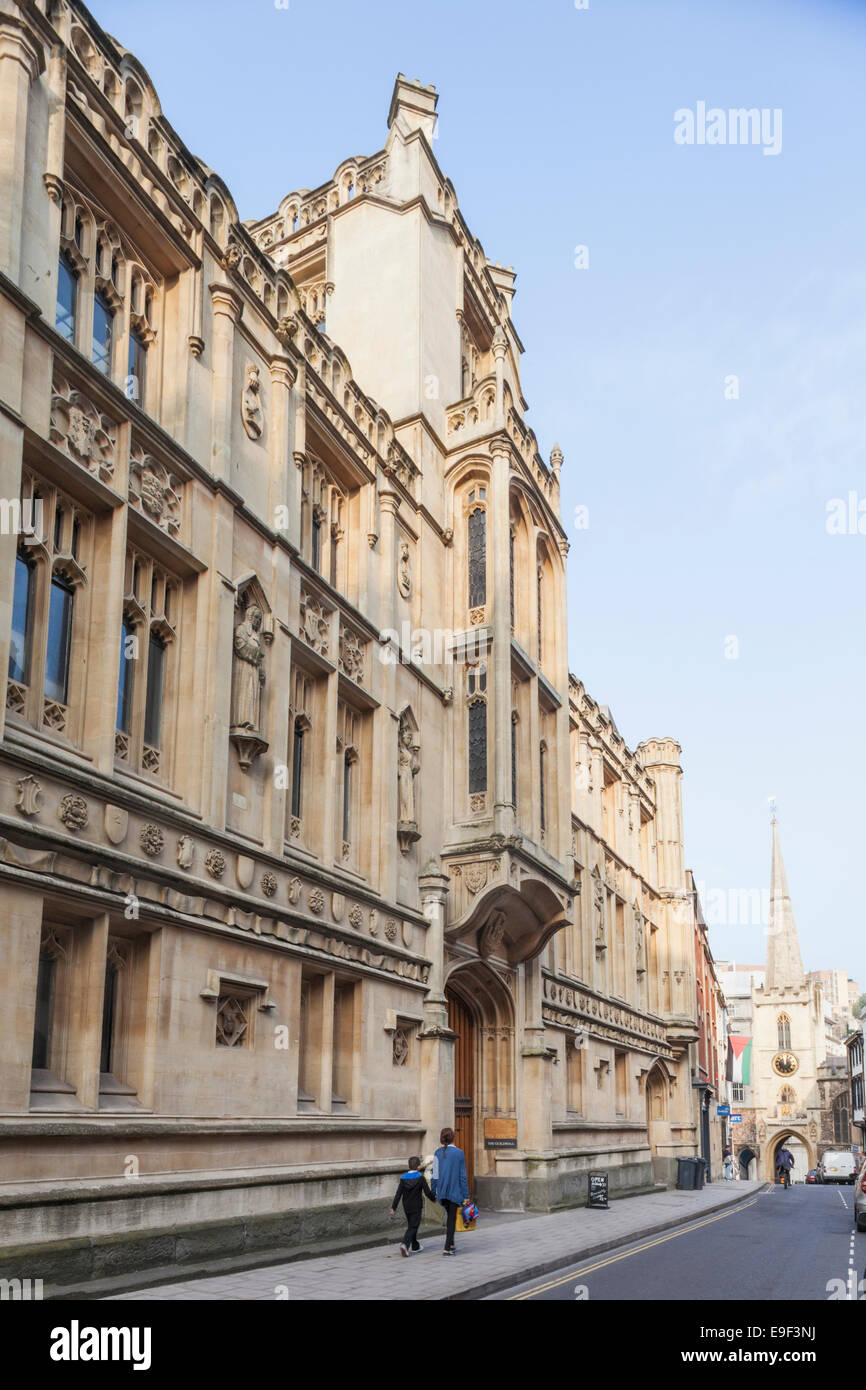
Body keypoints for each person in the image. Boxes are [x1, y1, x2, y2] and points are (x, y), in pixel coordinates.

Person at [431, 1126, 469, 1255]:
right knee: (451, 1220)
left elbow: (434, 1175)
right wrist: (466, 1195)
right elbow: (462, 1176)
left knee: (450, 1218)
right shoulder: (459, 1153)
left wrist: (433, 1191)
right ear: (453, 1137)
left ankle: (451, 1244)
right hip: (454, 1192)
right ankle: (447, 1248)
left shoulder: (437, 1153)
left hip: (442, 1192)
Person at [390, 1154, 435, 1257]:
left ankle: (415, 1246)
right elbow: (427, 1192)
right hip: (417, 1206)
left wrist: (394, 1207)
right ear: (419, 1167)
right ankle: (405, 1244)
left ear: (409, 1166)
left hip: (407, 1206)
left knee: (412, 1225)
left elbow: (398, 1194)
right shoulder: (420, 1178)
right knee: (414, 1226)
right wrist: (433, 1199)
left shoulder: (403, 1179)